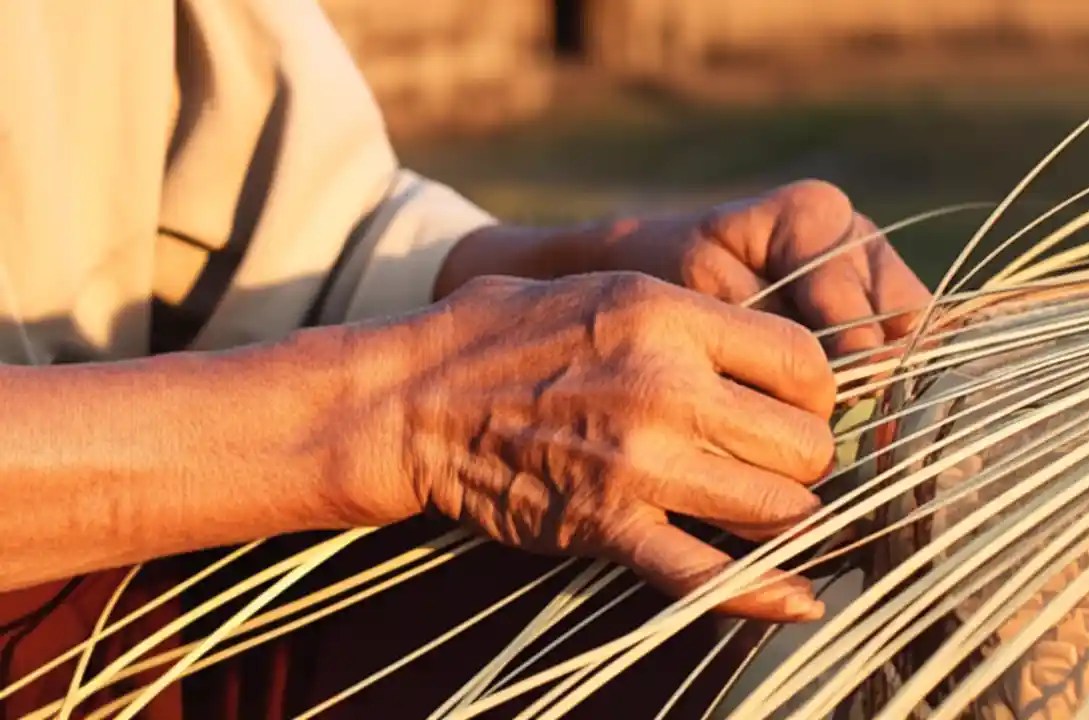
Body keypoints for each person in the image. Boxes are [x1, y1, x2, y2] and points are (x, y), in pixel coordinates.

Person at [0, 1, 929, 717]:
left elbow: (294, 230)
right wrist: (402, 411)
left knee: (677, 586)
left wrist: (593, 268)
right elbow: (396, 399)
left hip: (132, 607)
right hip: (63, 624)